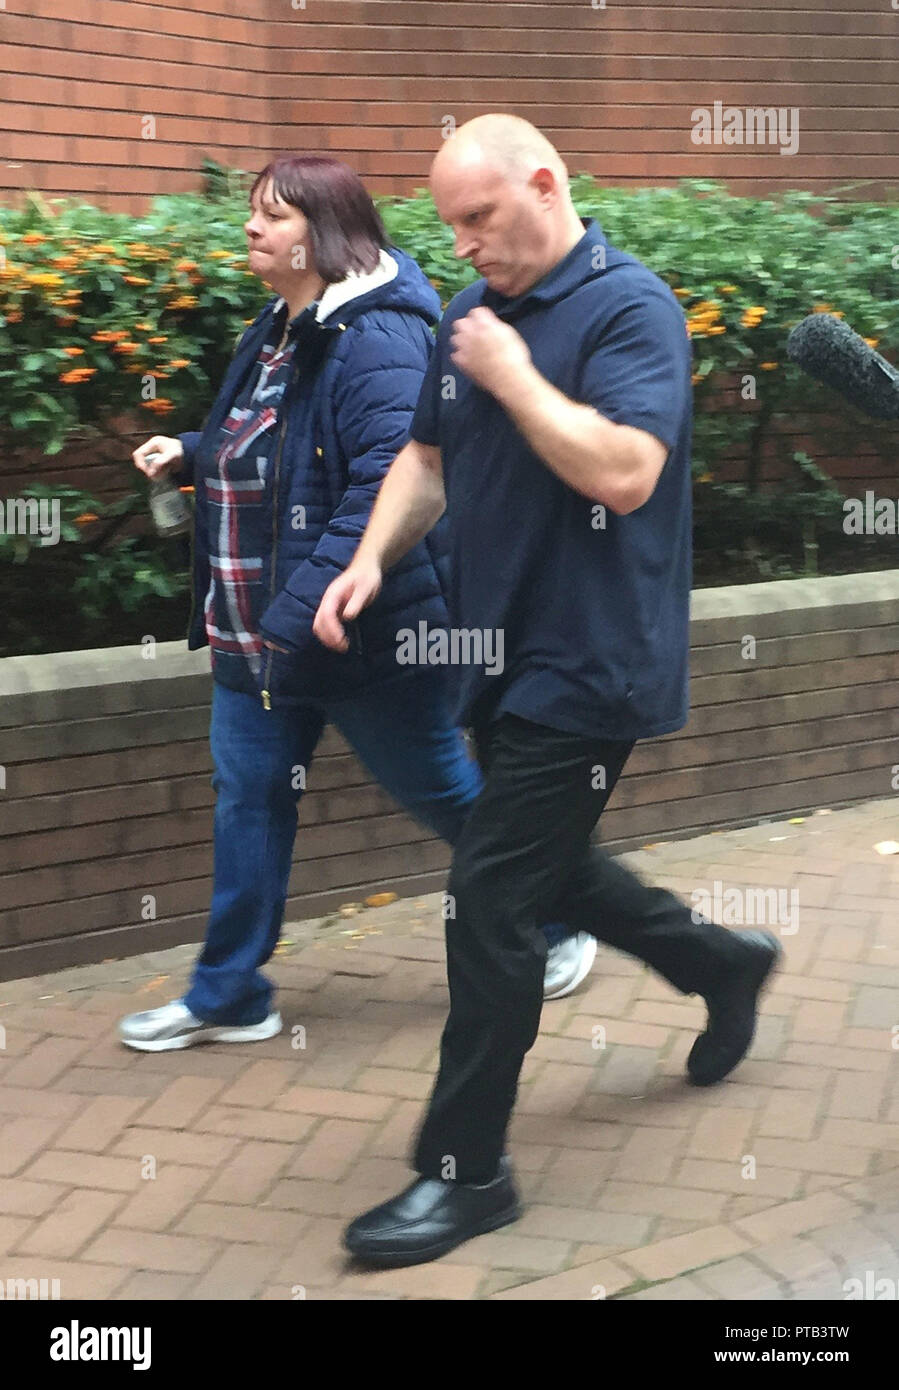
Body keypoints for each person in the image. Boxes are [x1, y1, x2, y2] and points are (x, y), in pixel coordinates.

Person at [312, 115, 783, 1267]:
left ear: (543, 181)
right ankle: (719, 961)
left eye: (479, 217)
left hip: (592, 658)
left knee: (488, 901)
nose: (462, 243)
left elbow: (623, 473)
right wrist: (369, 558)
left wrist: (517, 378)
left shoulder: (630, 308)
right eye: (450, 224)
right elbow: (422, 459)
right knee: (541, 861)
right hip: (495, 649)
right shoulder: (470, 318)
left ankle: (465, 1173)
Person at [118, 154, 593, 1055]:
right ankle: (229, 994)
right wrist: (189, 449)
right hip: (254, 635)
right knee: (248, 801)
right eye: (254, 214)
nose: (253, 229)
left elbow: (388, 481)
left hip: (355, 631)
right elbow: (273, 440)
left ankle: (563, 920)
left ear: (325, 236)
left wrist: (300, 613)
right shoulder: (281, 325)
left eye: (275, 216)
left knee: (446, 793)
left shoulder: (375, 337)